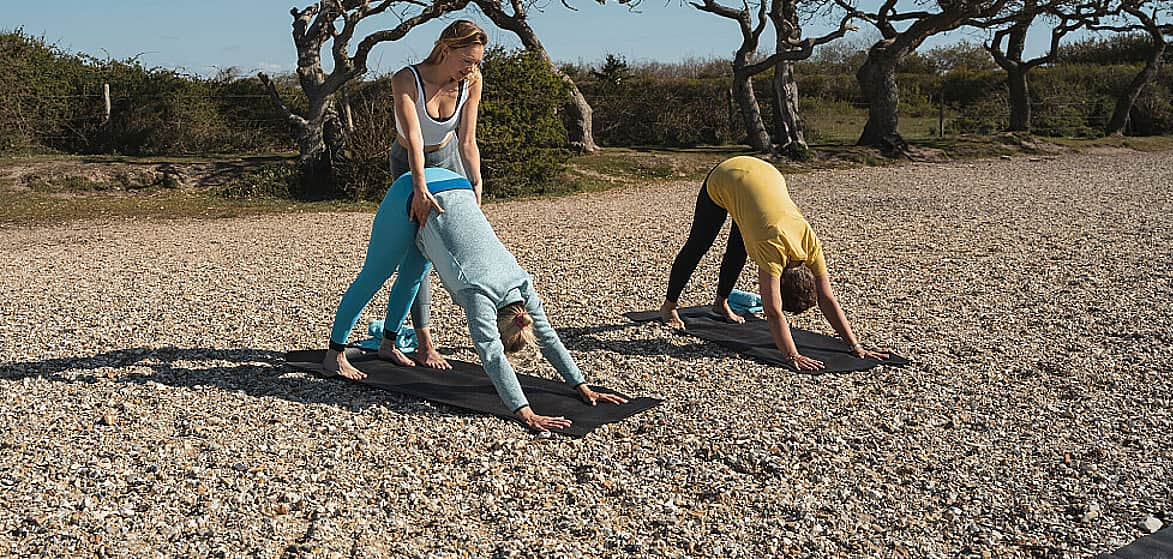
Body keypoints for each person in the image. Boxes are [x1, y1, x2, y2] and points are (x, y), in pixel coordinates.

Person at [323, 168, 626, 432]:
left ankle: (387, 345)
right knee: (375, 274)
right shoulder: (478, 293)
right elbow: (492, 355)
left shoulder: (521, 281)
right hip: (414, 190)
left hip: (458, 187)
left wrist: (580, 385)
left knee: (414, 276)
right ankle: (334, 355)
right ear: (497, 324)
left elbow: (547, 336)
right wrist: (524, 411)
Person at [660, 155, 889, 371]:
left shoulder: (811, 245)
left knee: (741, 246)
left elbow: (827, 298)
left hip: (765, 175)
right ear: (779, 283)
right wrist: (792, 355)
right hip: (728, 175)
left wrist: (855, 345)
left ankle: (721, 303)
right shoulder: (773, 252)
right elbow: (772, 310)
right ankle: (669, 307)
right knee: (699, 243)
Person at [386, 19, 487, 370]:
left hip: (449, 160)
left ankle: (492, 330)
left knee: (465, 243)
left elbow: (467, 139)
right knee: (418, 252)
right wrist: (419, 188)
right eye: (467, 61)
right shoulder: (405, 79)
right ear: (446, 50)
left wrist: (476, 182)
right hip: (408, 164)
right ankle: (424, 340)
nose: (471, 68)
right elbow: (413, 138)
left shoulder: (471, 81)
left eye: (476, 62)